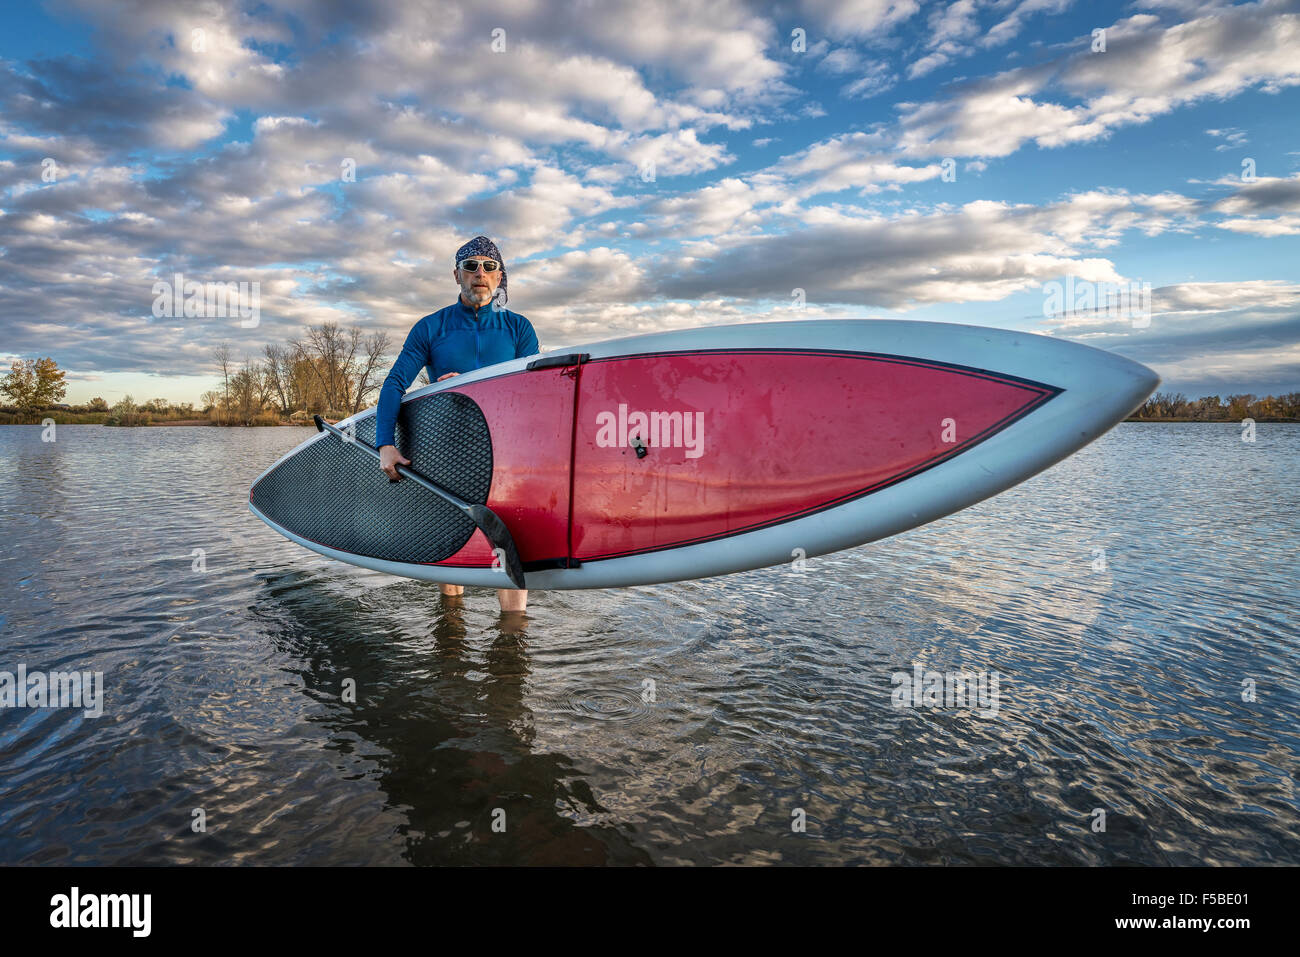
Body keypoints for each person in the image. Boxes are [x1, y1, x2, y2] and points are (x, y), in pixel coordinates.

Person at [375, 236, 539, 612]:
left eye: (488, 266)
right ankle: (451, 633)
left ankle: (512, 637)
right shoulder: (431, 327)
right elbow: (395, 383)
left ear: (500, 278)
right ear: (456, 274)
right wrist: (386, 443)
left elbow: (531, 393)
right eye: (470, 266)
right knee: (453, 549)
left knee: (507, 548)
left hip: (506, 455)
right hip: (449, 452)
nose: (479, 273)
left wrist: (471, 384)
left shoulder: (519, 329)